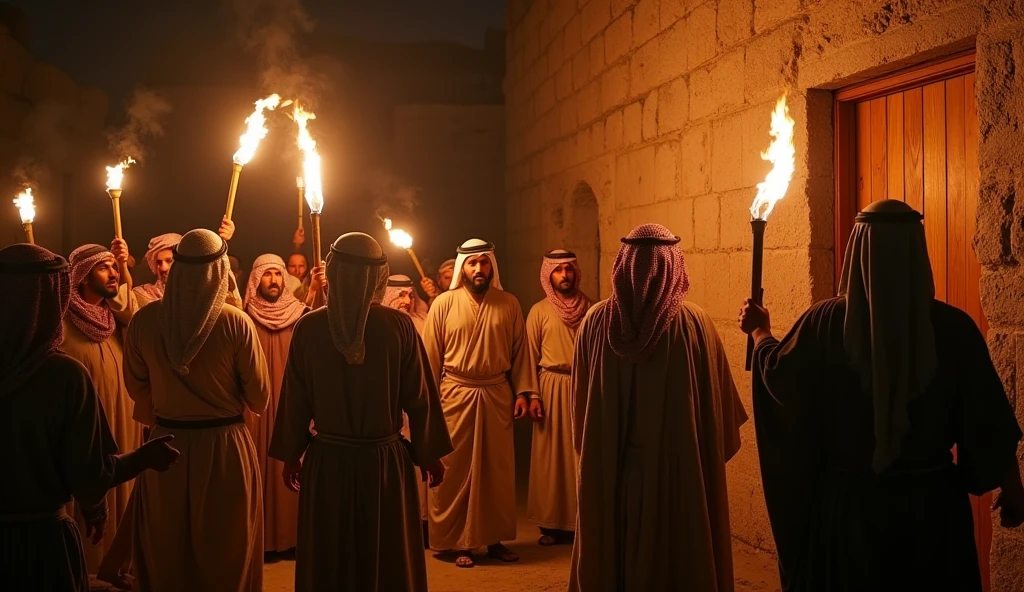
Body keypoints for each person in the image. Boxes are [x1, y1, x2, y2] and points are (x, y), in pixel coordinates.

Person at [738, 199, 1024, 592]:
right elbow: (987, 415)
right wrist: (1012, 488)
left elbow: (780, 379)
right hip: (931, 518)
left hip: (851, 518)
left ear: (857, 249)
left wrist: (759, 333)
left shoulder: (824, 323)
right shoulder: (954, 329)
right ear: (916, 249)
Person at [269, 232, 453, 591]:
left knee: (331, 552)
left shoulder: (310, 326)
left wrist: (292, 455)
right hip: (383, 463)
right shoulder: (398, 326)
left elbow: (294, 399)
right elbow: (419, 398)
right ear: (379, 276)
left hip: (329, 462)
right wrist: (429, 455)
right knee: (383, 552)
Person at [570, 223, 747, 591]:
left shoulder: (594, 323)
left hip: (614, 473)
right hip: (680, 481)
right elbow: (723, 423)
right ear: (674, 266)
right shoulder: (695, 324)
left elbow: (581, 413)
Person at [0, 243, 178, 592]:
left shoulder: (102, 335)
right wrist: (143, 459)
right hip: (42, 542)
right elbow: (89, 473)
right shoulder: (62, 373)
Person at [123, 228, 271, 592]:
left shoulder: (144, 320)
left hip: (163, 448)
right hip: (224, 447)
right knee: (226, 549)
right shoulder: (237, 323)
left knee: (166, 548)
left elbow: (136, 389)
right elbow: (259, 398)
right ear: (221, 270)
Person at [422, 238, 535, 567]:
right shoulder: (443, 304)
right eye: (472, 263)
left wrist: (525, 392)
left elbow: (521, 353)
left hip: (497, 395)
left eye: (484, 263)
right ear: (462, 268)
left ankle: (493, 540)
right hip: (455, 395)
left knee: (495, 473)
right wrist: (425, 403)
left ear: (491, 267)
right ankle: (458, 542)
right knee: (454, 470)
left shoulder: (509, 303)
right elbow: (430, 357)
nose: (478, 269)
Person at [61, 241, 144, 584]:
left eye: (114, 266)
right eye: (104, 267)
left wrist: (124, 265)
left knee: (120, 491)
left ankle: (115, 564)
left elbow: (135, 313)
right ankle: (85, 568)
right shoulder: (62, 323)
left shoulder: (116, 321)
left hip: (121, 424)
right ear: (81, 276)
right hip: (82, 429)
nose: (114, 274)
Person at [242, 253, 319, 558]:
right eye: (266, 274)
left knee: (291, 465)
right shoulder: (243, 315)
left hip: (291, 406)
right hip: (254, 410)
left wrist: (317, 288)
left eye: (278, 274)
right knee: (257, 466)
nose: (273, 280)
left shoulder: (302, 315)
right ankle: (258, 538)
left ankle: (292, 537)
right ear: (255, 279)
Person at [524, 249, 592, 546]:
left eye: (569, 269)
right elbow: (528, 356)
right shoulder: (539, 311)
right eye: (558, 270)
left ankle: (581, 522)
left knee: (581, 456)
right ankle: (551, 525)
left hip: (583, 389)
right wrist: (532, 395)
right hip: (550, 388)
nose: (565, 275)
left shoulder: (592, 308)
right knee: (551, 459)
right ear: (548, 274)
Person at [382, 273, 432, 541]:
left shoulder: (422, 324)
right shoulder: (379, 326)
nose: (406, 300)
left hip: (413, 408)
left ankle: (422, 522)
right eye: (400, 294)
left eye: (410, 295)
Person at [133, 219, 237, 308]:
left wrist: (221, 247)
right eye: (159, 262)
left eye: (169, 261)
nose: (163, 268)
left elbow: (228, 301)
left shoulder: (201, 292)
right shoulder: (143, 294)